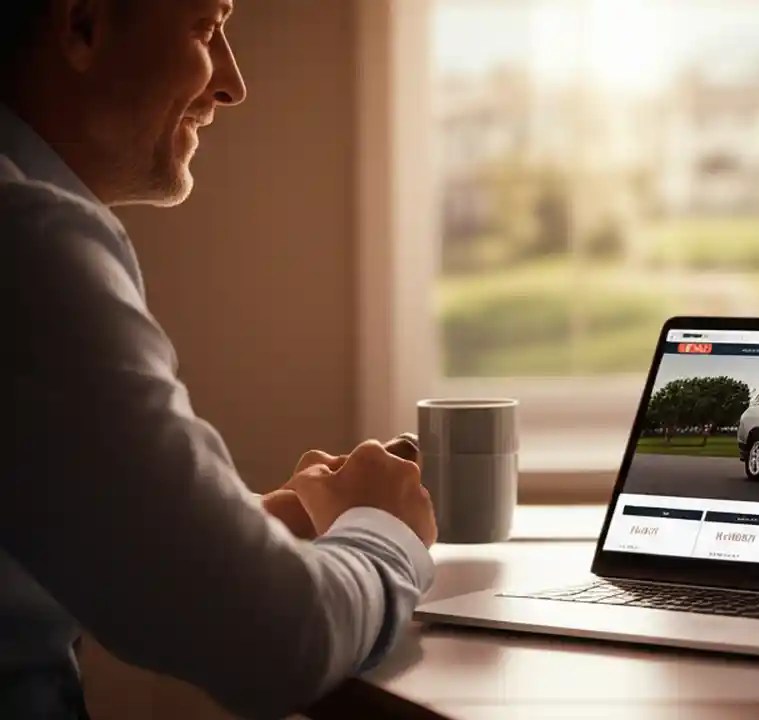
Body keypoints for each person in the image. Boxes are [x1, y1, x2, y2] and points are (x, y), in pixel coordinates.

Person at [1, 1, 439, 718]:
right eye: (207, 29)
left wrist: (248, 533)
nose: (232, 83)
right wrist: (385, 530)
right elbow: (276, 645)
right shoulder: (27, 246)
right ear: (80, 25)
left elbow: (89, 553)